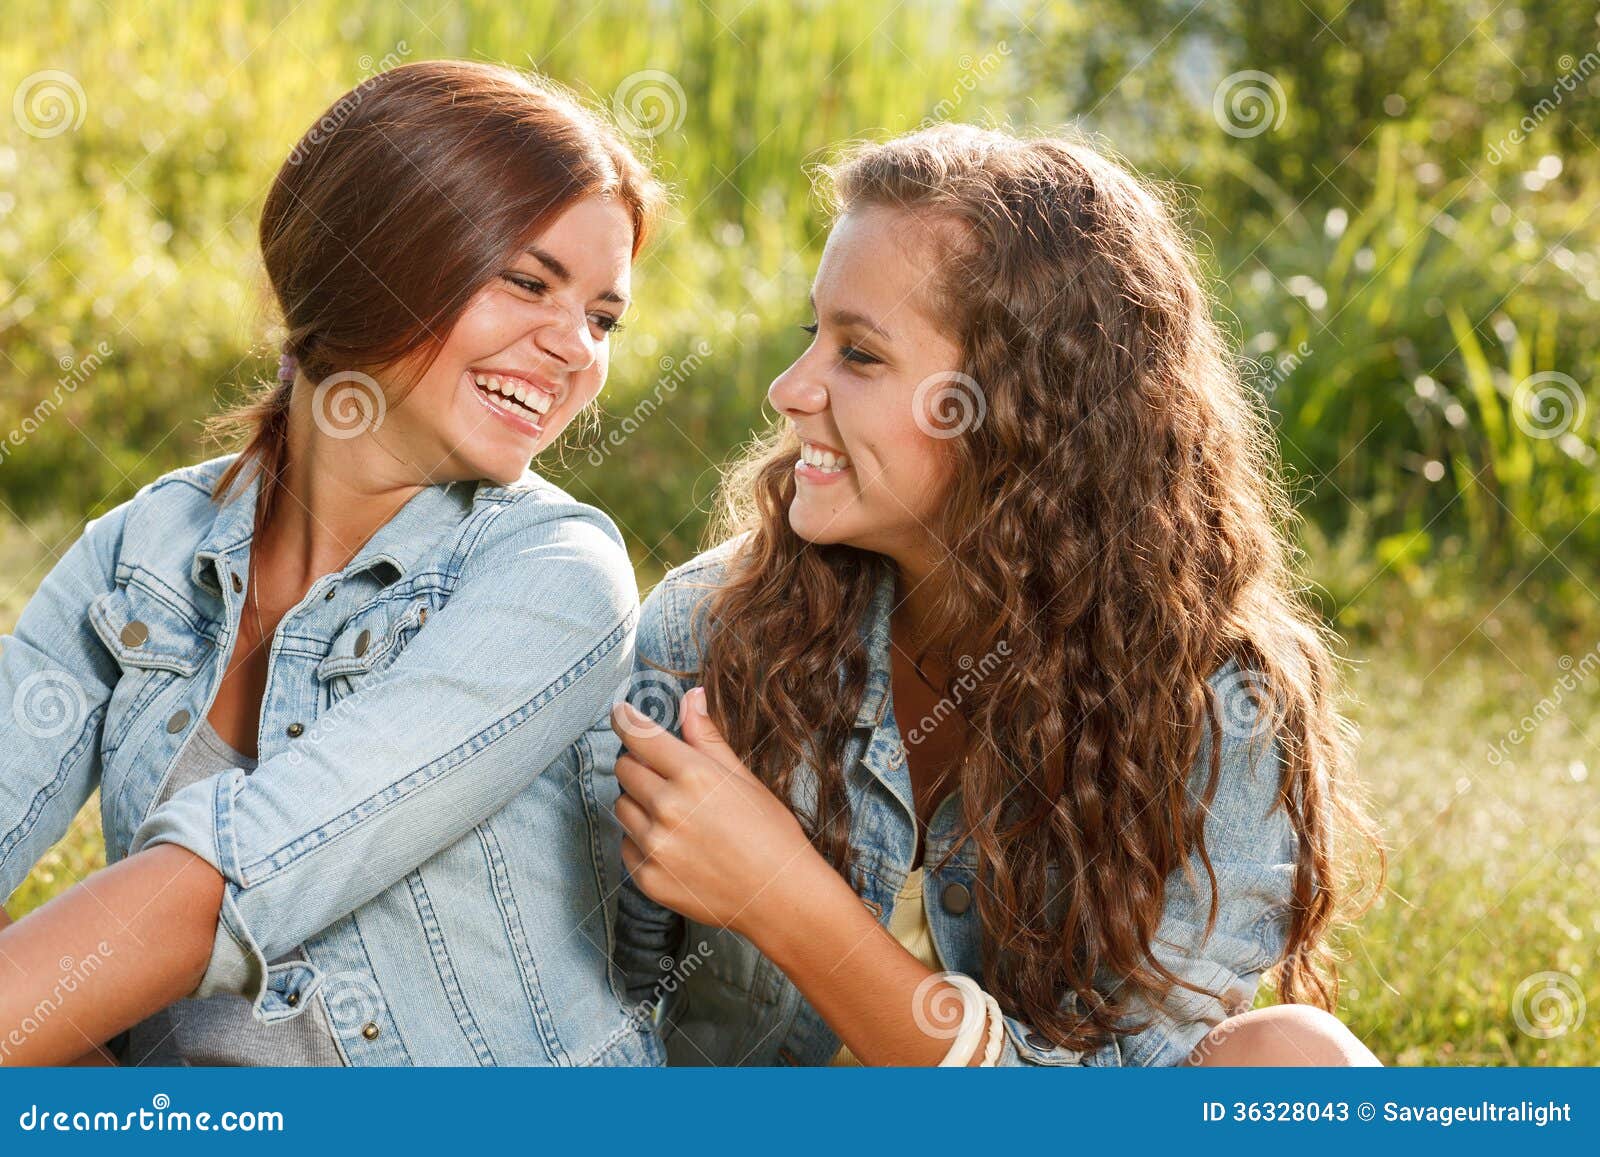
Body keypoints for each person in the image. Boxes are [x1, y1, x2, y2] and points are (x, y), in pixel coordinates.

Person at [609, 123, 1386, 1067]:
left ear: (1021, 408)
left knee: (1298, 1057)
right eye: (815, 336)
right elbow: (605, 998)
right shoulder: (709, 627)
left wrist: (783, 897)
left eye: (860, 355)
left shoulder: (1216, 706)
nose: (790, 388)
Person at [0, 59, 666, 1067]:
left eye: (602, 317)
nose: (576, 347)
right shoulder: (147, 550)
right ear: (373, 261)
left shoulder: (555, 574)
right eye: (527, 283)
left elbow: (228, 883)